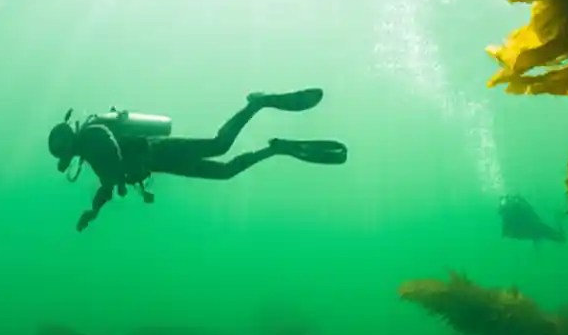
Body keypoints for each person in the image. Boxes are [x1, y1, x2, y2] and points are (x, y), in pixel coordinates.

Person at [47, 88, 348, 231]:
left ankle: (257, 104)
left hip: (160, 152)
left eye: (63, 155)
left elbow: (110, 146)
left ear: (67, 145)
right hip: (164, 164)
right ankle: (275, 149)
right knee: (226, 171)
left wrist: (119, 183)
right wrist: (94, 210)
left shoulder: (92, 136)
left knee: (219, 145)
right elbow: (106, 184)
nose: (66, 160)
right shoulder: (89, 153)